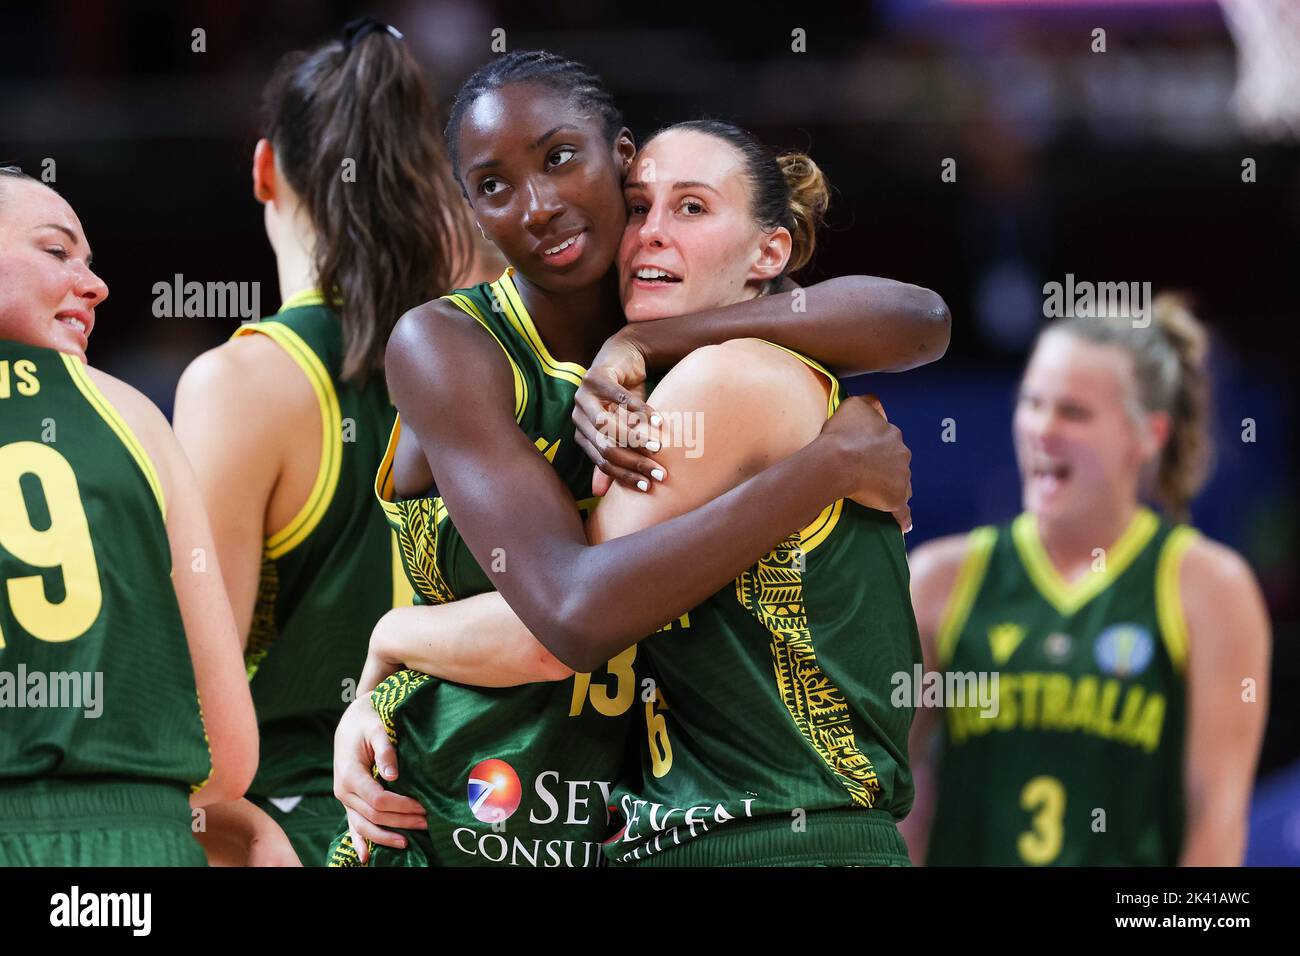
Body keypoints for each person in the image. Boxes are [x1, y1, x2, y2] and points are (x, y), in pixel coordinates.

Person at [329, 51, 944, 866]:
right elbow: (571, 617)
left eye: (559, 158)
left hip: (609, 826)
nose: (540, 205)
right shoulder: (450, 343)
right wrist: (824, 470)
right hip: (448, 809)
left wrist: (645, 337)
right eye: (495, 185)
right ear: (472, 211)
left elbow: (919, 317)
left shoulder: (693, 359)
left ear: (618, 157)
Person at [171, 18, 475, 865]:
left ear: (264, 167)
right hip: (484, 819)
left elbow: (196, 708)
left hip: (307, 827)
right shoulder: (490, 359)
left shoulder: (240, 385)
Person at [904, 295, 1271, 865]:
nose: (1042, 429)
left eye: (1073, 412)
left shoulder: (1209, 586)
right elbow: (895, 802)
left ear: (1147, 435)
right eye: (1032, 403)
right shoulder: (938, 579)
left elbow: (1217, 822)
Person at [0, 166, 258, 865]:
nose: (95, 283)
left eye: (90, 261)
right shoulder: (130, 411)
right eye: (57, 252)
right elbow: (229, 755)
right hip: (138, 843)